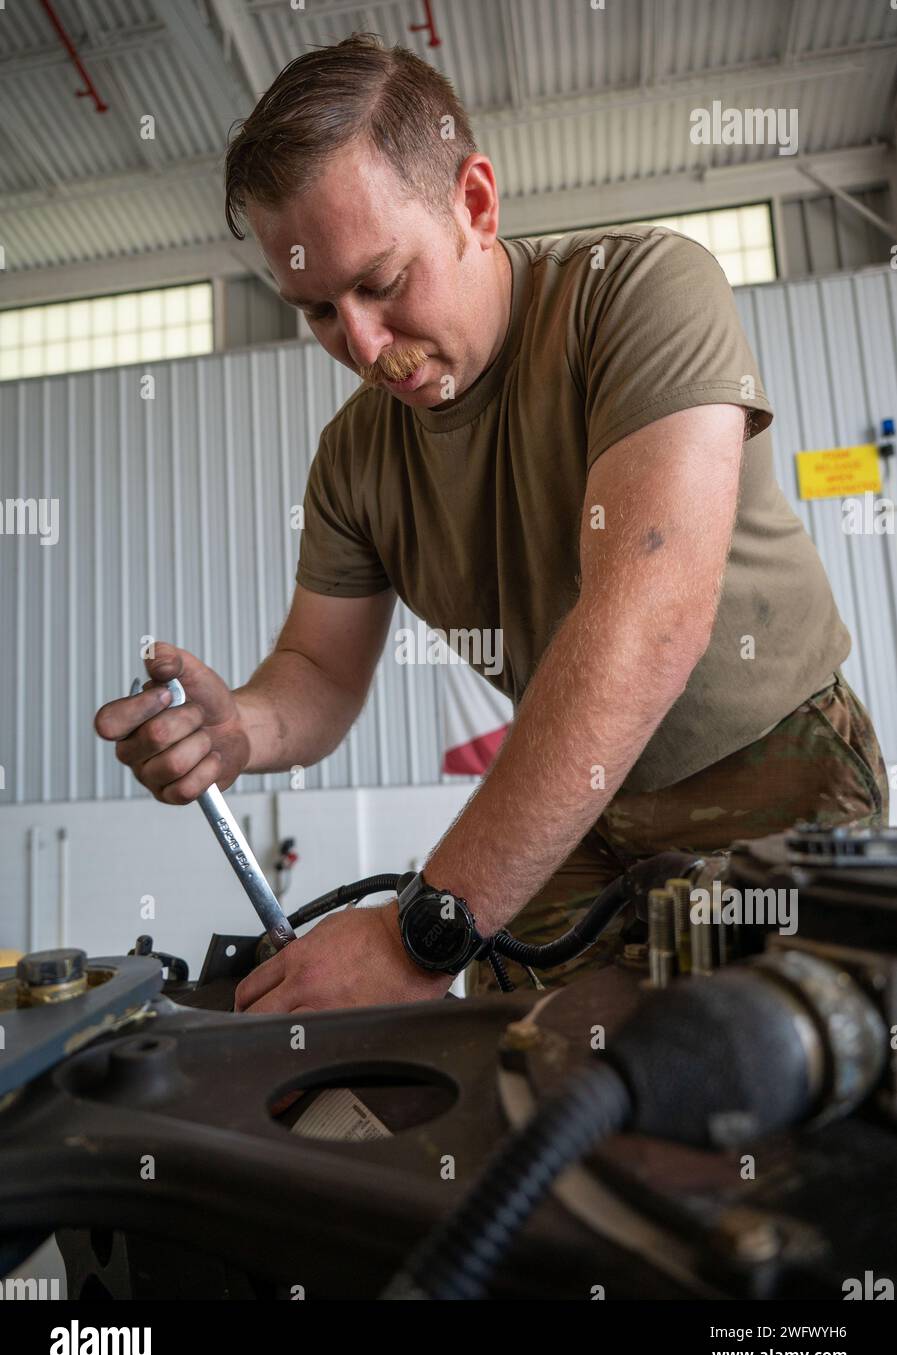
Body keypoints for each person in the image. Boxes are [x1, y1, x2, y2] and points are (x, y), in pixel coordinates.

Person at [95, 35, 889, 1013]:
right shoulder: (354, 458)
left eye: (382, 283)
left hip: (777, 774)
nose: (365, 345)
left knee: (775, 1082)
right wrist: (236, 731)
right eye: (318, 312)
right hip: (569, 814)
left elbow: (648, 624)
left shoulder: (639, 294)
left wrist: (427, 927)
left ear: (474, 202)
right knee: (532, 1077)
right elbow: (317, 677)